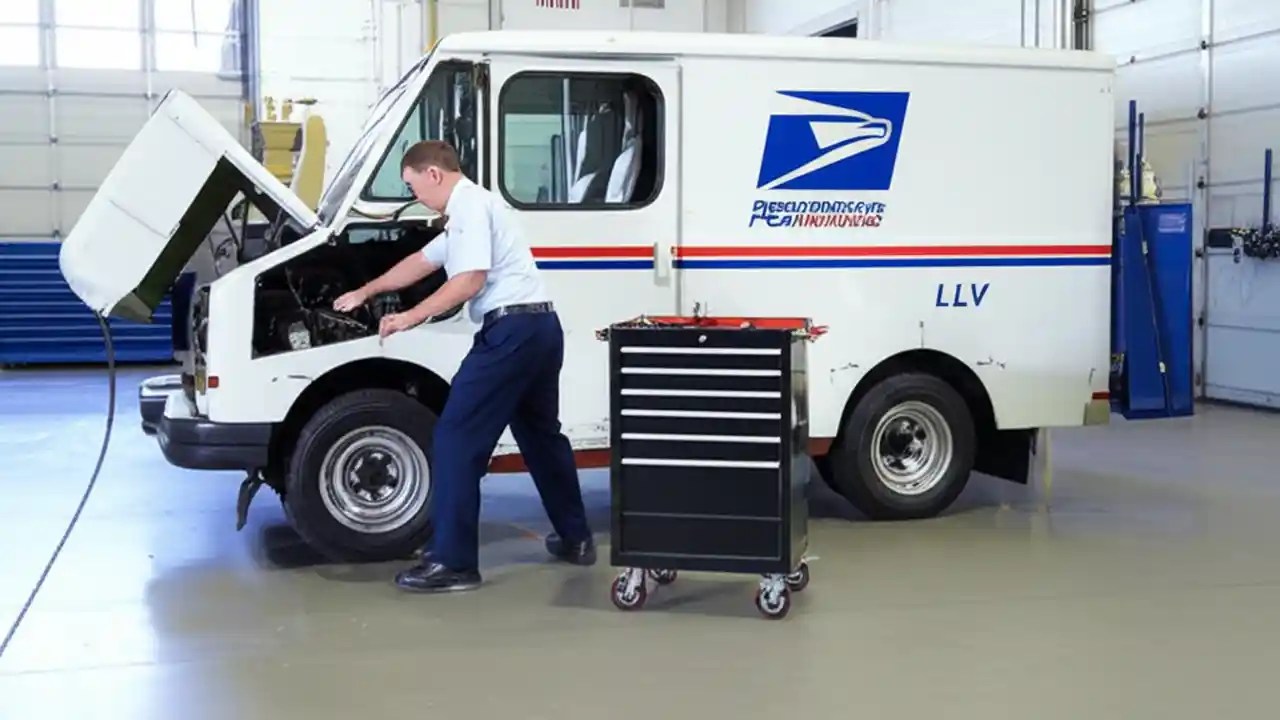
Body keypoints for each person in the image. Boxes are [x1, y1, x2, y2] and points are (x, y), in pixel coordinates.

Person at [332, 139, 595, 593]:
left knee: (455, 438)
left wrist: (409, 317)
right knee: (540, 436)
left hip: (510, 333)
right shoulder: (471, 212)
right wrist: (366, 291)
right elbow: (420, 261)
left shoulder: (470, 207)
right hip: (541, 328)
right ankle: (576, 538)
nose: (417, 198)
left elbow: (469, 281)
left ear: (434, 174)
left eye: (415, 187)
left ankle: (454, 563)